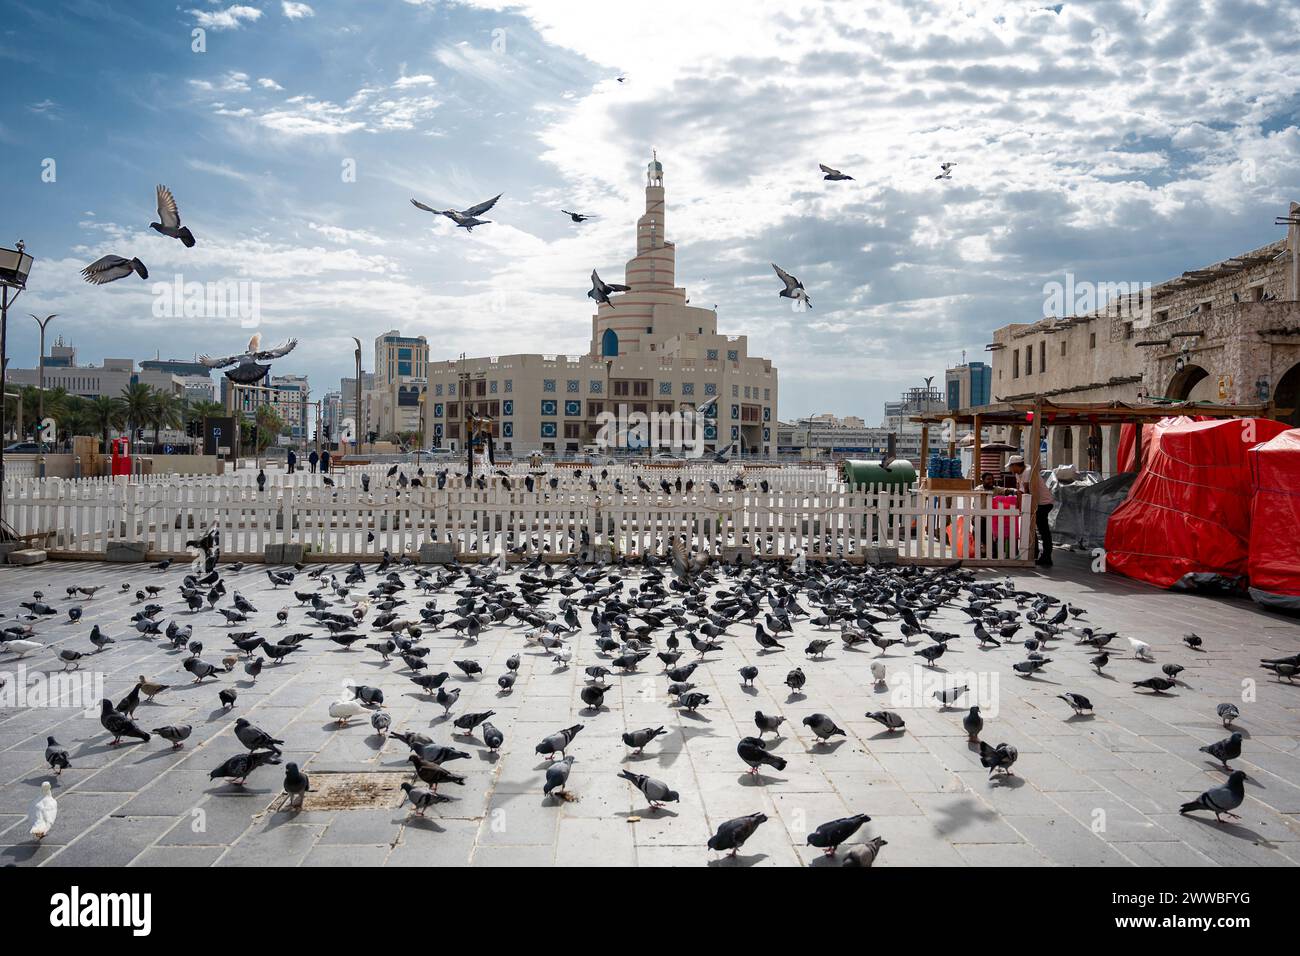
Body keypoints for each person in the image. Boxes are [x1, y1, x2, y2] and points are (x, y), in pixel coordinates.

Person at [1006, 454, 1055, 567]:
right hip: (1035, 503)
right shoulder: (1019, 473)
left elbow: (1027, 490)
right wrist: (1018, 506)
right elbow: (1019, 490)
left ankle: (1046, 556)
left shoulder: (1028, 471)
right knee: (1032, 528)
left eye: (1011, 467)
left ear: (1015, 465)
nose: (1010, 469)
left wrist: (1026, 507)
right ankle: (1035, 553)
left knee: (1042, 530)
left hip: (1043, 503)